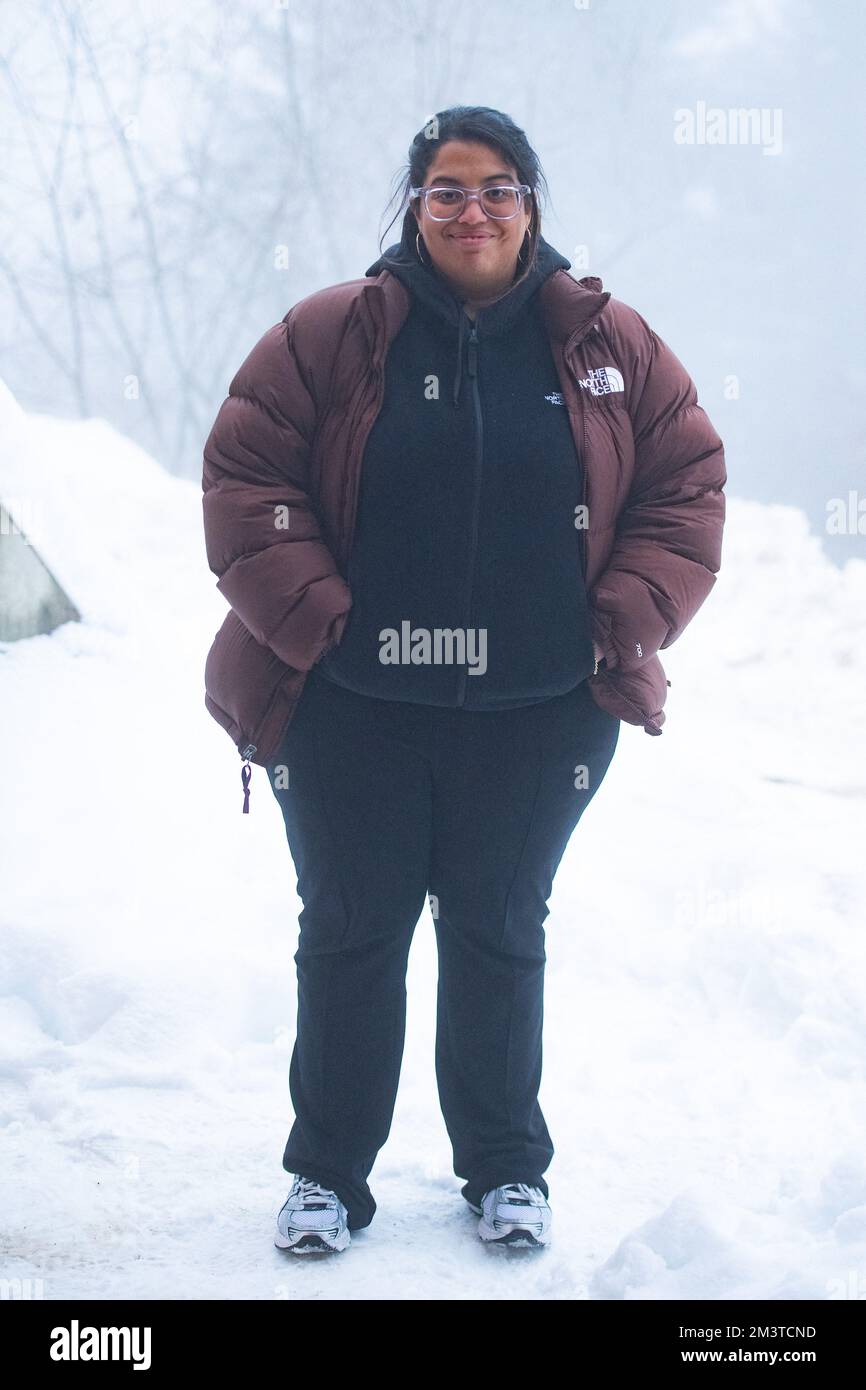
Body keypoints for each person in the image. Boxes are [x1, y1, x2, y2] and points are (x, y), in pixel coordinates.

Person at [201, 105, 726, 1255]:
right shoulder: (333, 332)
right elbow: (248, 475)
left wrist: (615, 622)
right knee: (350, 925)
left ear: (531, 203)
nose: (472, 209)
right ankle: (326, 1175)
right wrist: (324, 623)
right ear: (413, 207)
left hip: (540, 715)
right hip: (349, 709)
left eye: (496, 188)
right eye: (446, 189)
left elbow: (683, 489)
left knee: (497, 926)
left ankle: (504, 1170)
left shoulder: (603, 344)